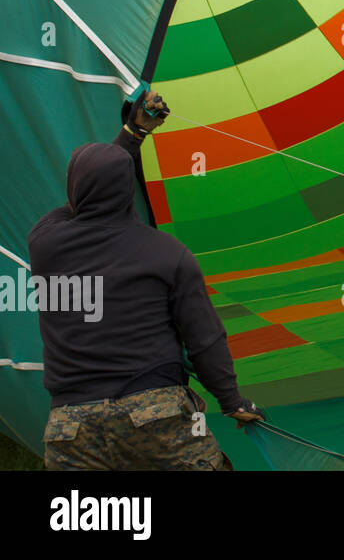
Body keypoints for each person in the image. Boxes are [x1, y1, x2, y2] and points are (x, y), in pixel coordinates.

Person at [28, 91, 263, 470]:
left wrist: (131, 134)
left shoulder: (44, 242)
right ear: (127, 190)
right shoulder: (168, 254)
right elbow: (204, 340)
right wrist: (231, 401)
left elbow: (82, 194)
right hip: (154, 412)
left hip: (70, 427)